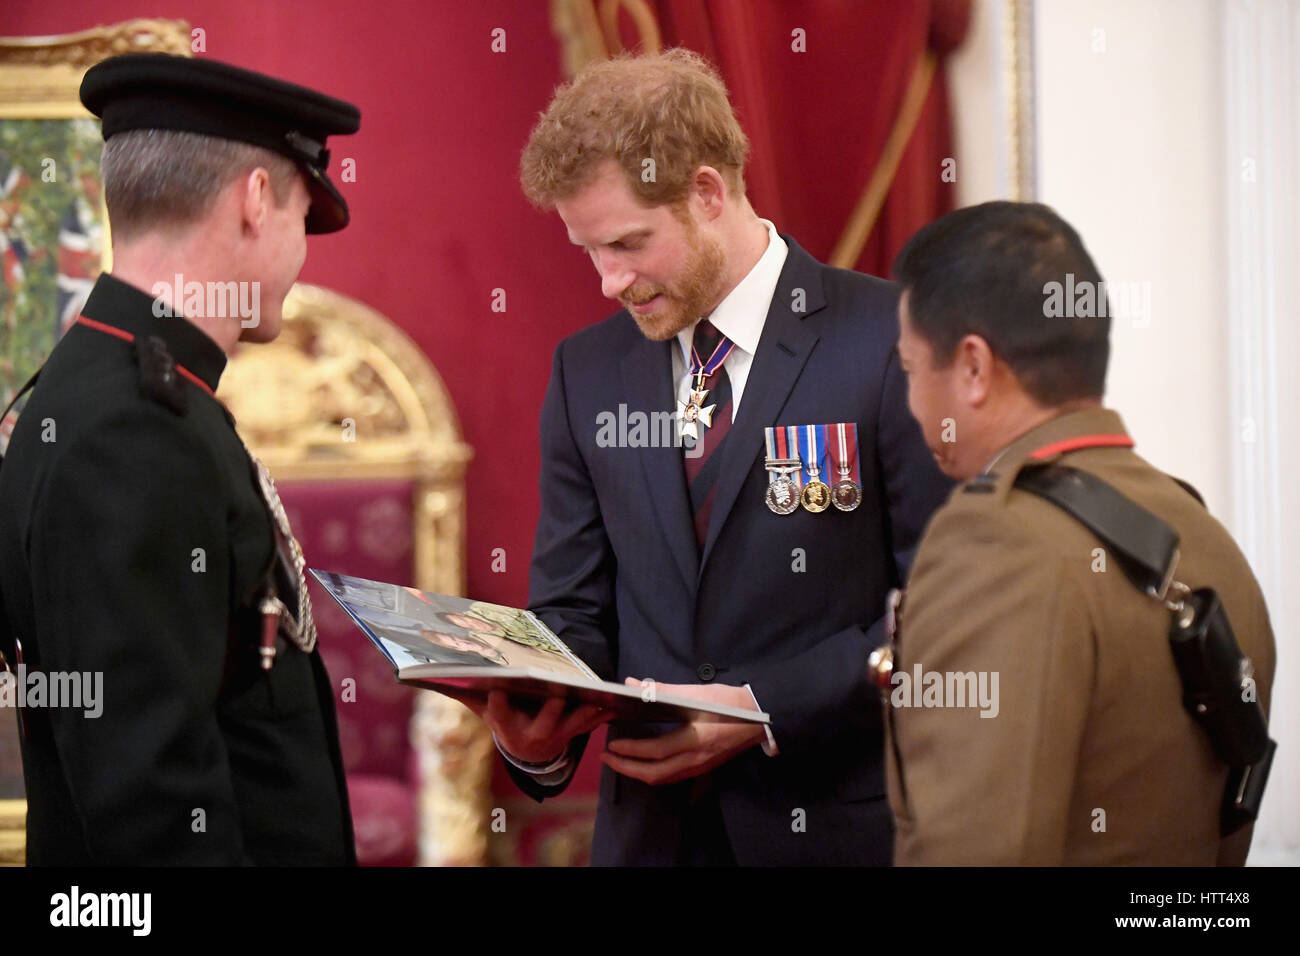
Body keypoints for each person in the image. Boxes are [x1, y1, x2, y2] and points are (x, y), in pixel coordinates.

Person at [476, 50, 951, 866]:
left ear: (706, 192)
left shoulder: (890, 341)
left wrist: (764, 708)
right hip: (649, 839)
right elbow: (573, 610)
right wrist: (538, 721)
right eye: (588, 250)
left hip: (839, 833)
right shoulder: (585, 371)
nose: (607, 281)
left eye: (627, 243)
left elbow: (947, 616)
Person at [0, 53, 361, 865]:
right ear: (256, 199)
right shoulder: (132, 429)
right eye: (305, 217)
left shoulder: (103, 385)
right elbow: (153, 808)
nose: (303, 256)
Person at [884, 200, 1276, 865]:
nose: (912, 400)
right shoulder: (1202, 531)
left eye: (912, 368)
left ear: (974, 368)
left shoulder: (997, 544)